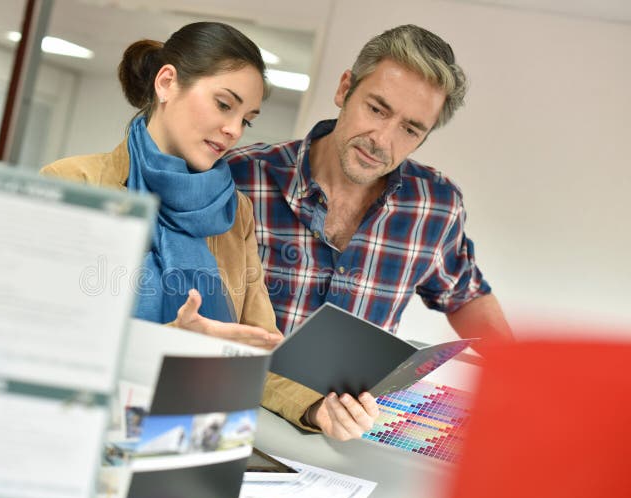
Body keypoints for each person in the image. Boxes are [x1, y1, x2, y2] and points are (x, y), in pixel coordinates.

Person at [41, 22, 354, 436]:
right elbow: (44, 340)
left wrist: (317, 408)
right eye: (225, 105)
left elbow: (256, 346)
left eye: (247, 119)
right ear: (167, 82)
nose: (234, 130)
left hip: (199, 441)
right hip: (83, 435)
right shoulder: (73, 183)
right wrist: (175, 344)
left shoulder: (234, 211)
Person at [226, 24, 512, 440]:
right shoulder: (240, 177)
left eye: (410, 129)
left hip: (344, 440)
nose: (382, 139)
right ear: (345, 89)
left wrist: (528, 386)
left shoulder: (434, 205)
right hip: (234, 417)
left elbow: (465, 294)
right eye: (377, 109)